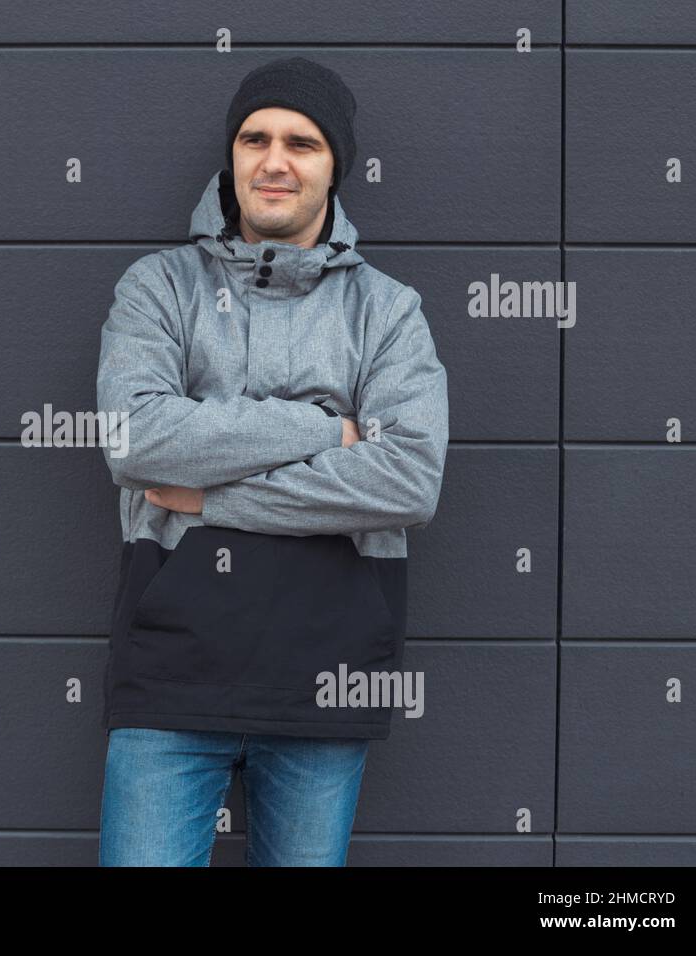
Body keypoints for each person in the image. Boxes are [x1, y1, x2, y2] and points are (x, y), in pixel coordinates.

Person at [95, 57, 449, 866]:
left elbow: (407, 478)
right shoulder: (158, 290)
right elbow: (134, 440)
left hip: (328, 680)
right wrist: (329, 429)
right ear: (232, 156)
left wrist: (208, 497)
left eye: (303, 142)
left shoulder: (387, 312)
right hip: (169, 675)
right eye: (254, 138)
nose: (274, 160)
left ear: (335, 167)